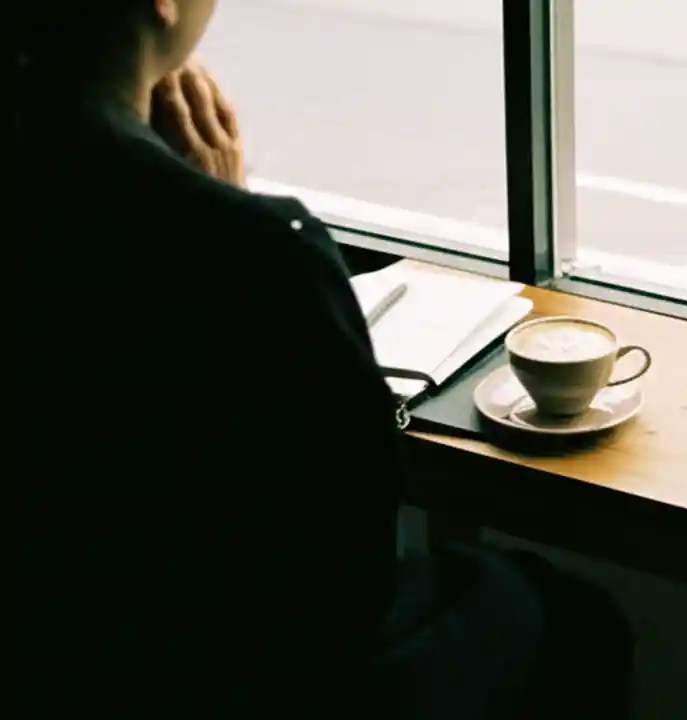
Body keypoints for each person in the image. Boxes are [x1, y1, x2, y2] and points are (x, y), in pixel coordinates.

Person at [8, 2, 632, 717]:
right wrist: (221, 208)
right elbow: (350, 572)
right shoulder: (246, 250)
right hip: (250, 666)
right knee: (575, 621)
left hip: (62, 645)